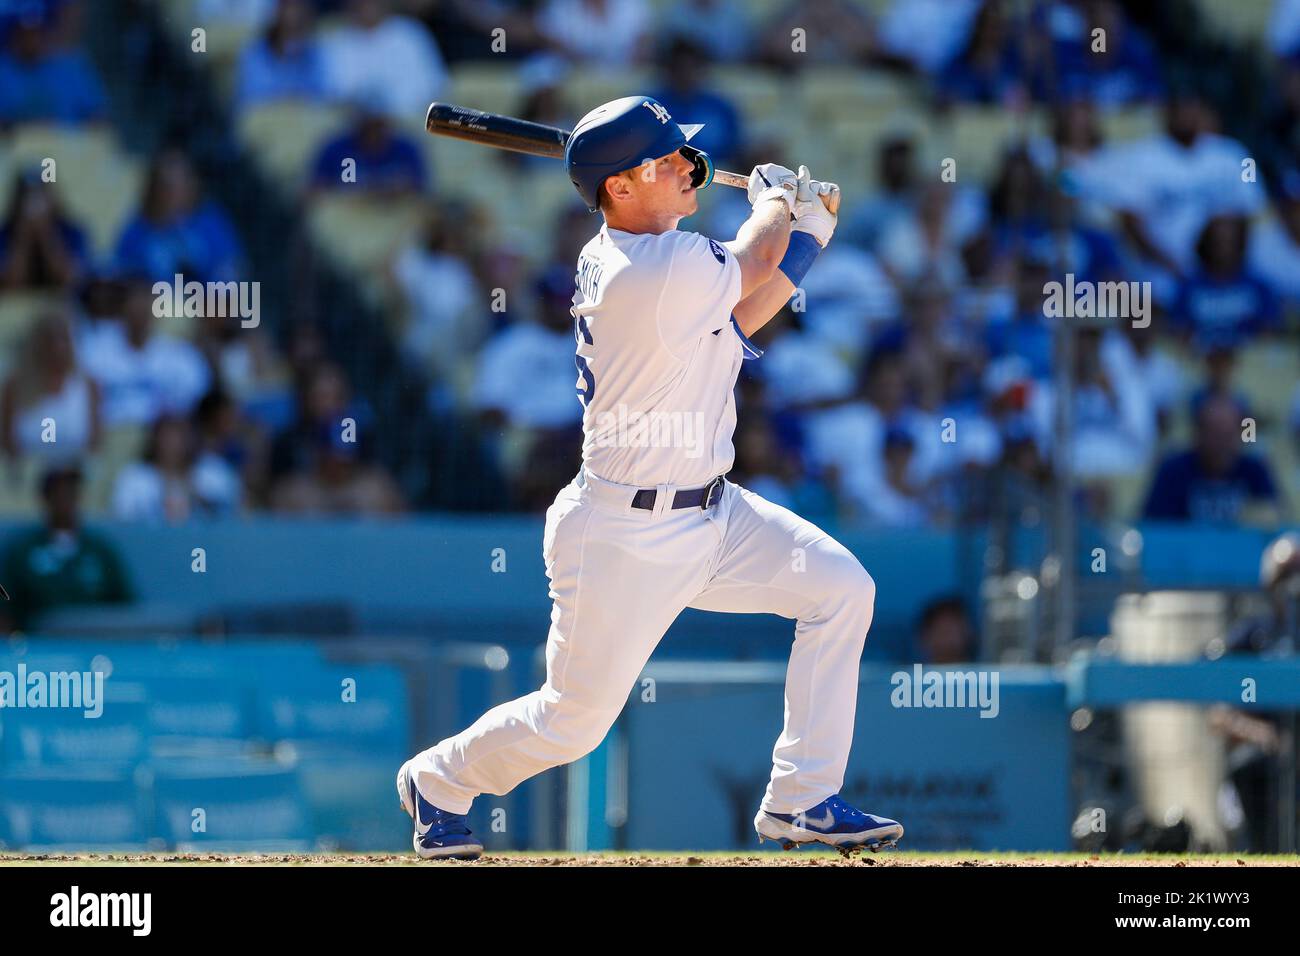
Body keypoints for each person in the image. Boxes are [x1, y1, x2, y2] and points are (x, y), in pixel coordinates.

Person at [396, 95, 903, 860]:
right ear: (619, 190)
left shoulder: (668, 259)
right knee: (572, 722)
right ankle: (436, 781)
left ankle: (802, 800)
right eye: (662, 161)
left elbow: (738, 316)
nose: (685, 166)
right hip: (623, 534)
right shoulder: (652, 266)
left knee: (842, 590)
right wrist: (779, 206)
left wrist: (811, 236)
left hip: (716, 514)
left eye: (680, 153)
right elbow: (755, 263)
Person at [0, 465, 133, 632]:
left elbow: (126, 608)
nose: (65, 499)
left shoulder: (100, 550)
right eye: (58, 492)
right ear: (45, 498)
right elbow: (6, 612)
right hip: (40, 647)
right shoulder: (23, 551)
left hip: (96, 646)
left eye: (71, 492)